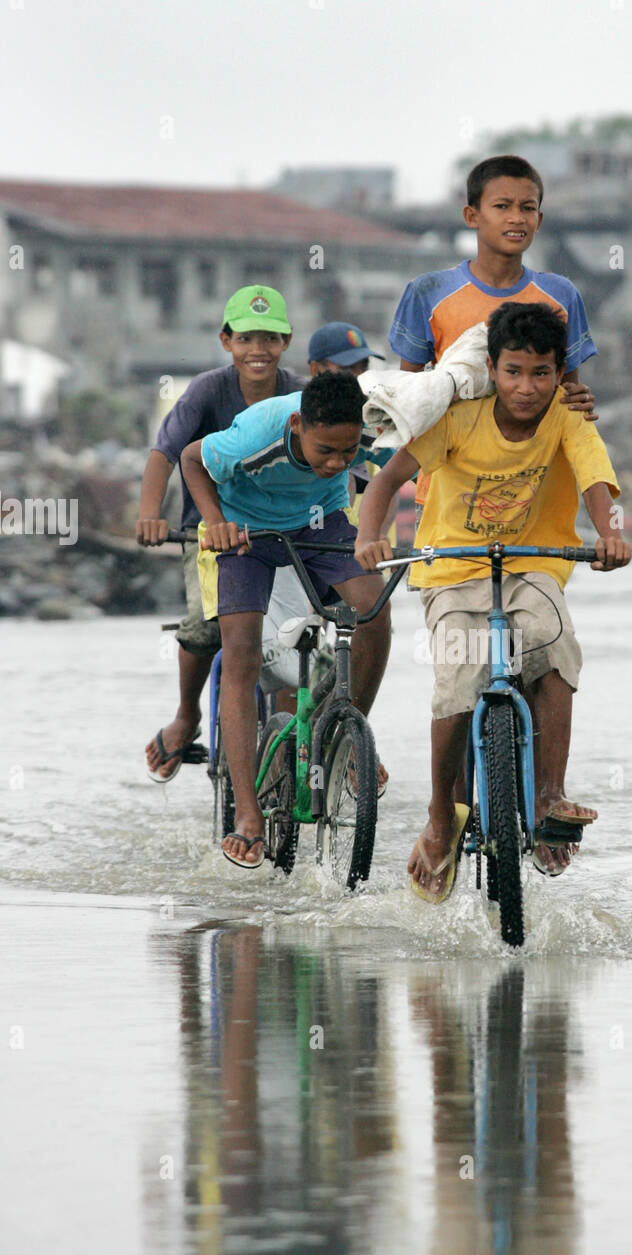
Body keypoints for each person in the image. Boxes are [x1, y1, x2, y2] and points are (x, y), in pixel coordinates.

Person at [355, 302, 631, 899]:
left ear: (561, 373)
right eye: (513, 372)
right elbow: (384, 482)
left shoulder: (568, 419)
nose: (526, 387)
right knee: (457, 680)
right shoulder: (458, 420)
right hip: (451, 570)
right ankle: (437, 818)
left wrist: (610, 533)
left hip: (533, 567)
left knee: (555, 644)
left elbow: (596, 484)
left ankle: (549, 797)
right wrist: (370, 534)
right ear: (494, 369)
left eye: (541, 373)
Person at [180, 372, 391, 869]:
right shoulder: (257, 433)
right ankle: (248, 814)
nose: (338, 463)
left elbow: (398, 463)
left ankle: (346, 741)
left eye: (347, 453)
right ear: (297, 425)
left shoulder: (362, 430)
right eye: (326, 452)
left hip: (323, 523)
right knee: (242, 657)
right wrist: (215, 523)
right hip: (246, 535)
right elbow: (192, 459)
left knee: (374, 613)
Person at [137, 284, 304, 781]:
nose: (259, 350)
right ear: (226, 340)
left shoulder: (298, 393)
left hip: (281, 530)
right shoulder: (208, 391)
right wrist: (150, 512)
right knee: (207, 627)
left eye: (270, 339)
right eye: (247, 338)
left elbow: (333, 452)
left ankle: (339, 740)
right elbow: (164, 453)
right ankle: (188, 715)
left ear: (287, 342)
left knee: (312, 633)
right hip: (211, 531)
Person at [389, 154, 599, 514]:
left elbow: (564, 391)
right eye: (502, 206)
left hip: (531, 488)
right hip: (447, 483)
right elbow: (409, 396)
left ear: (540, 219)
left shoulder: (561, 295)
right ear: (472, 215)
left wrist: (579, 400)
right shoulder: (429, 292)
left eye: (527, 208)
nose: (516, 218)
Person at [306, 322, 397, 531]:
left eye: (363, 365)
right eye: (347, 368)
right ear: (315, 369)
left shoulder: (379, 415)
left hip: (370, 544)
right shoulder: (303, 421)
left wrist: (375, 538)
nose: (359, 375)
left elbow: (393, 477)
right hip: (320, 543)